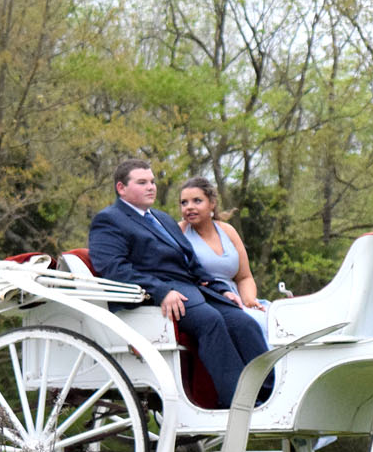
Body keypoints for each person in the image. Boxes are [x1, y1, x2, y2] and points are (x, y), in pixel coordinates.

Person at [89, 159, 268, 409]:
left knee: (244, 322)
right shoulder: (109, 220)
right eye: (142, 182)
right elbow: (113, 269)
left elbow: (191, 262)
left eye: (152, 181)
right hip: (154, 296)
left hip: (193, 290)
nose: (151, 187)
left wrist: (221, 289)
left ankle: (269, 393)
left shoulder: (161, 218)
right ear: (121, 188)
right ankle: (240, 401)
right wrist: (161, 291)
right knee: (211, 321)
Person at [177, 176, 267, 330]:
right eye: (184, 203)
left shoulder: (228, 230)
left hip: (237, 300)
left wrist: (249, 301)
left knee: (273, 320)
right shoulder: (179, 232)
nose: (189, 207)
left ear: (212, 203)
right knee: (252, 324)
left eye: (197, 201)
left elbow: (244, 277)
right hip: (207, 301)